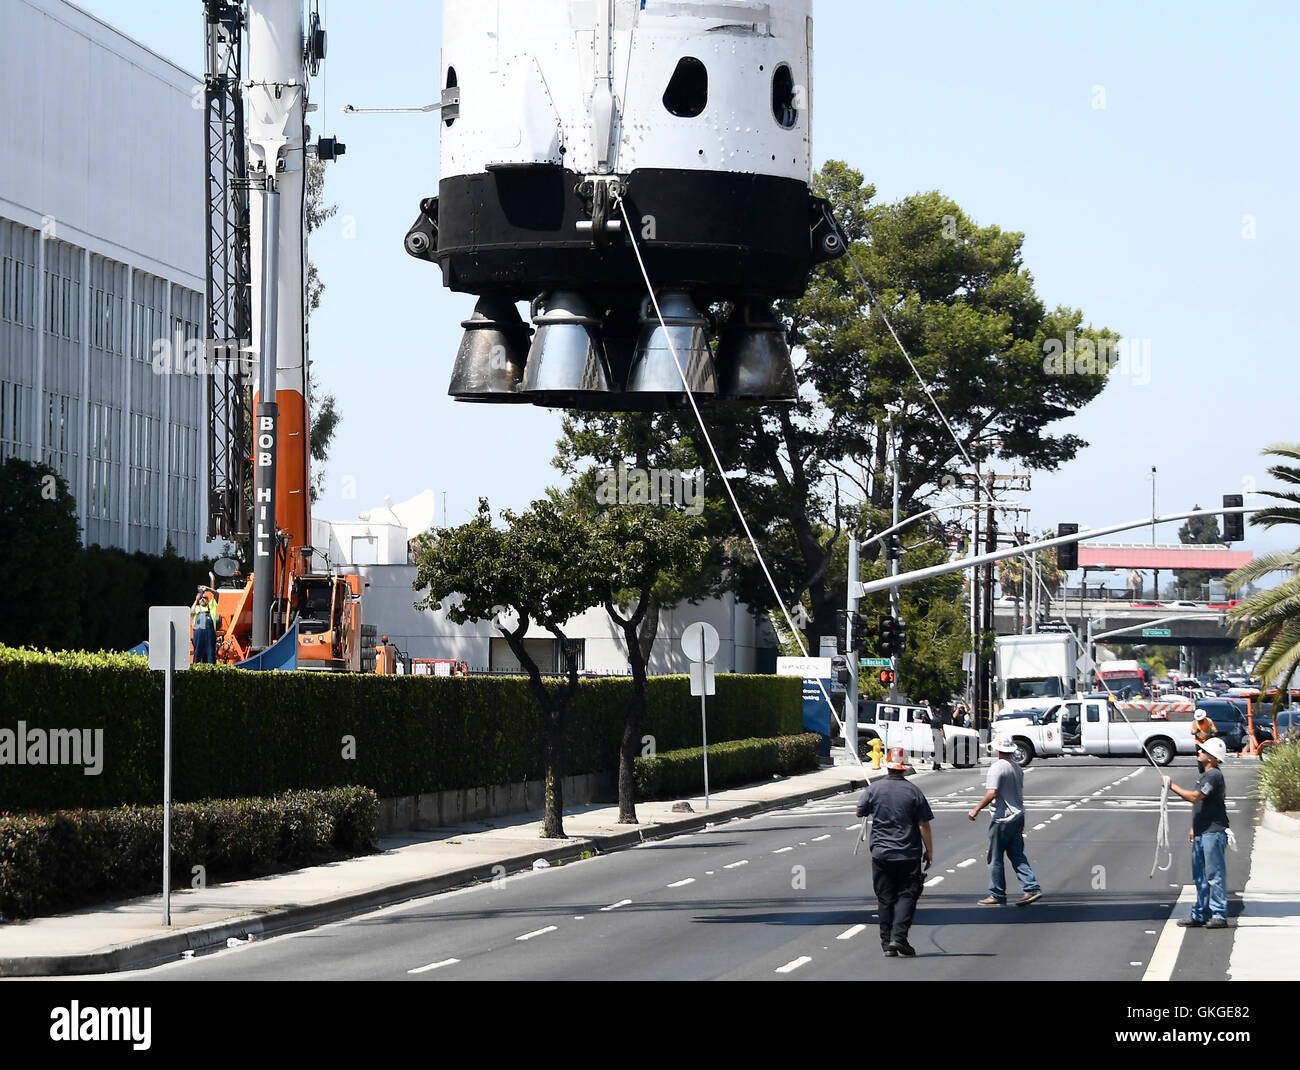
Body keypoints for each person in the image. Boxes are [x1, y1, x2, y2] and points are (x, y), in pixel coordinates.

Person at [856, 746, 935, 958]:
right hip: (908, 853)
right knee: (908, 894)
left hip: (881, 853)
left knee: (885, 898)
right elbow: (923, 825)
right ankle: (899, 937)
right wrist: (929, 851)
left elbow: (859, 812)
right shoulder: (913, 792)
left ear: (888, 766)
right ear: (904, 769)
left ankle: (886, 943)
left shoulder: (874, 790)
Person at [967, 736, 1043, 906]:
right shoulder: (1016, 767)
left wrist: (976, 809)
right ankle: (1031, 888)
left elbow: (992, 792)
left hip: (1002, 819)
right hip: (1018, 816)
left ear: (997, 750)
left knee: (994, 857)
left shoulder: (997, 768)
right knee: (1016, 853)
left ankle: (997, 894)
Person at [1165, 736, 1230, 929]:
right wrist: (1195, 827)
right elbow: (1202, 804)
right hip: (1203, 832)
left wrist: (1171, 786)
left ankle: (1219, 914)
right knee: (1200, 876)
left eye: (1203, 751)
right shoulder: (1205, 775)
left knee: (1214, 874)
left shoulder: (1213, 776)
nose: (1199, 754)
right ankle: (1200, 914)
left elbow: (1195, 797)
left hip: (1213, 833)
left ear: (1211, 757)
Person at [190, 587, 219, 664]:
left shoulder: (211, 607)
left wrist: (208, 589)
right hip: (198, 637)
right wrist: (196, 599)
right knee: (197, 656)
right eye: (201, 598)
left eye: (205, 598)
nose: (202, 599)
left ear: (208, 600)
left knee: (211, 655)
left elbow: (216, 594)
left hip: (210, 636)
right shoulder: (196, 609)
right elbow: (191, 613)